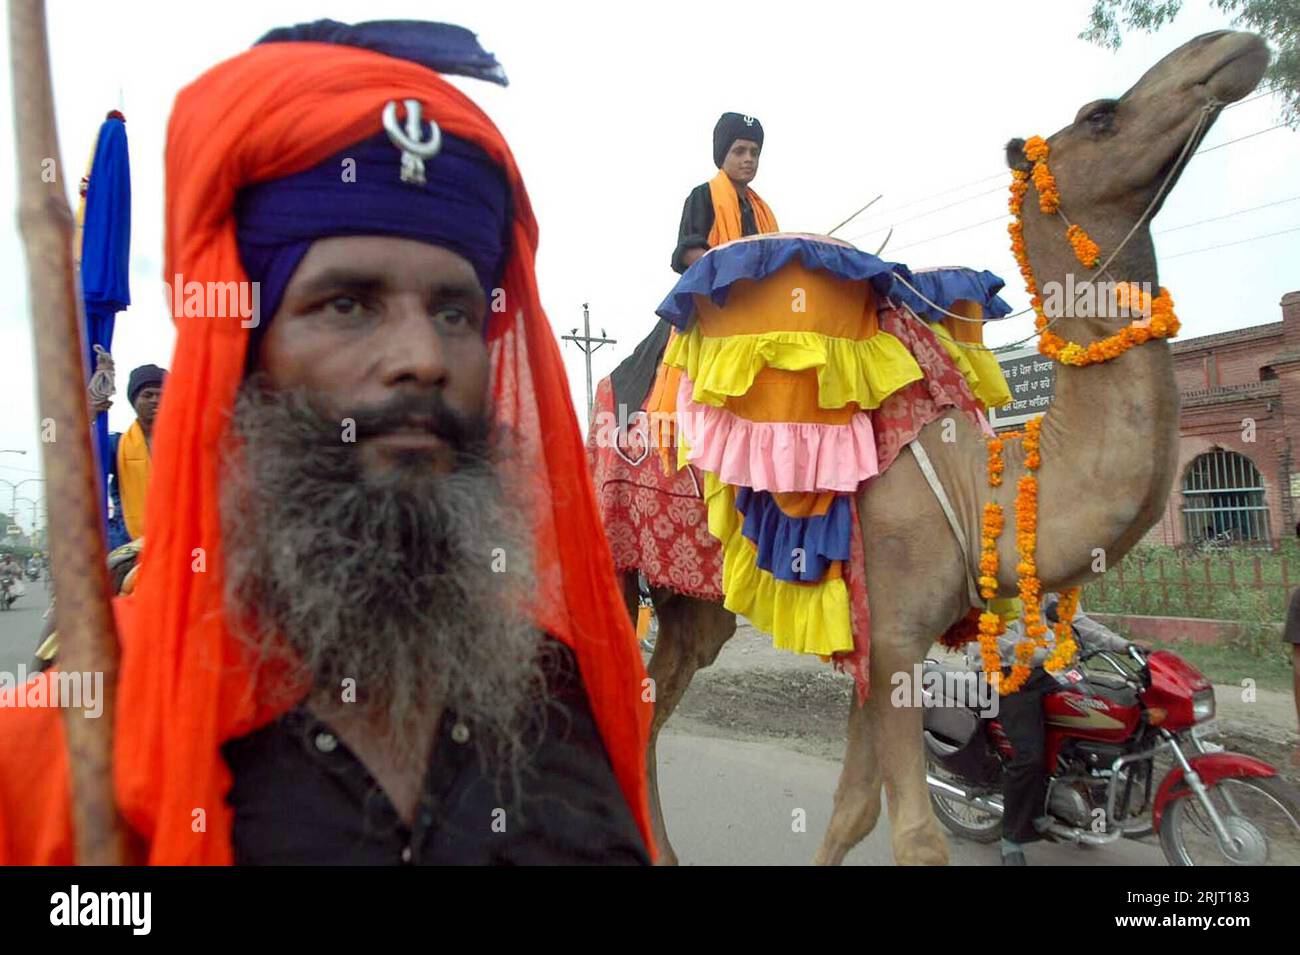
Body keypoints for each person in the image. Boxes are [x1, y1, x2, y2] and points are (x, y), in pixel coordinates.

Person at [0, 18, 653, 865]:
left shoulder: (567, 700)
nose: (423, 359)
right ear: (242, 355)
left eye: (455, 311)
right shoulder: (62, 750)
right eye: (348, 303)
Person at [966, 592, 1134, 865]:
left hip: (1046, 670)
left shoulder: (1054, 573)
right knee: (1029, 755)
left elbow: (1075, 619)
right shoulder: (993, 577)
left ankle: (1068, 808)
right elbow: (994, 637)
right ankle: (1011, 838)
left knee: (1086, 722)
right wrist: (1047, 652)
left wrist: (1123, 645)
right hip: (1002, 670)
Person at [104, 364, 166, 549]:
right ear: (134, 401)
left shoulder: (187, 443)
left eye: (162, 395)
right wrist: (92, 413)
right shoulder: (116, 444)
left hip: (182, 544)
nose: (155, 400)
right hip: (128, 546)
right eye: (148, 395)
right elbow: (83, 460)